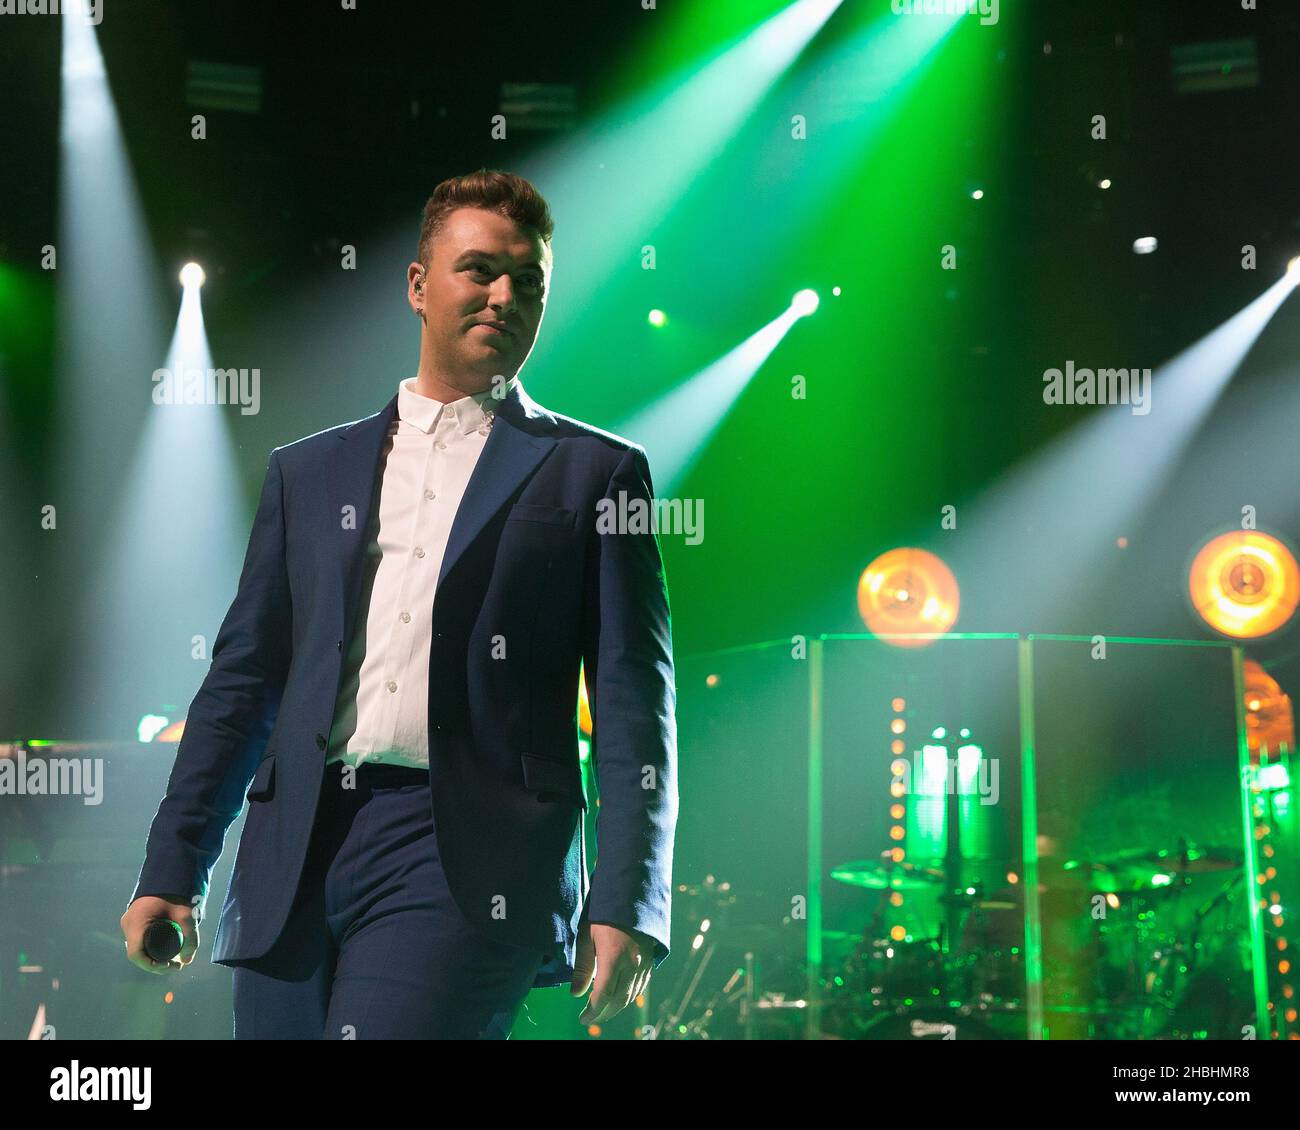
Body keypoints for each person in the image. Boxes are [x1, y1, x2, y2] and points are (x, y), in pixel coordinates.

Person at [120, 169, 678, 1039]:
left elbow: (634, 702)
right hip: (293, 848)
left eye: (526, 282)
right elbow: (243, 685)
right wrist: (173, 864)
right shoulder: (306, 473)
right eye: (480, 270)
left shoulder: (598, 473)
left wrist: (631, 898)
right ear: (418, 286)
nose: (504, 296)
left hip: (465, 858)